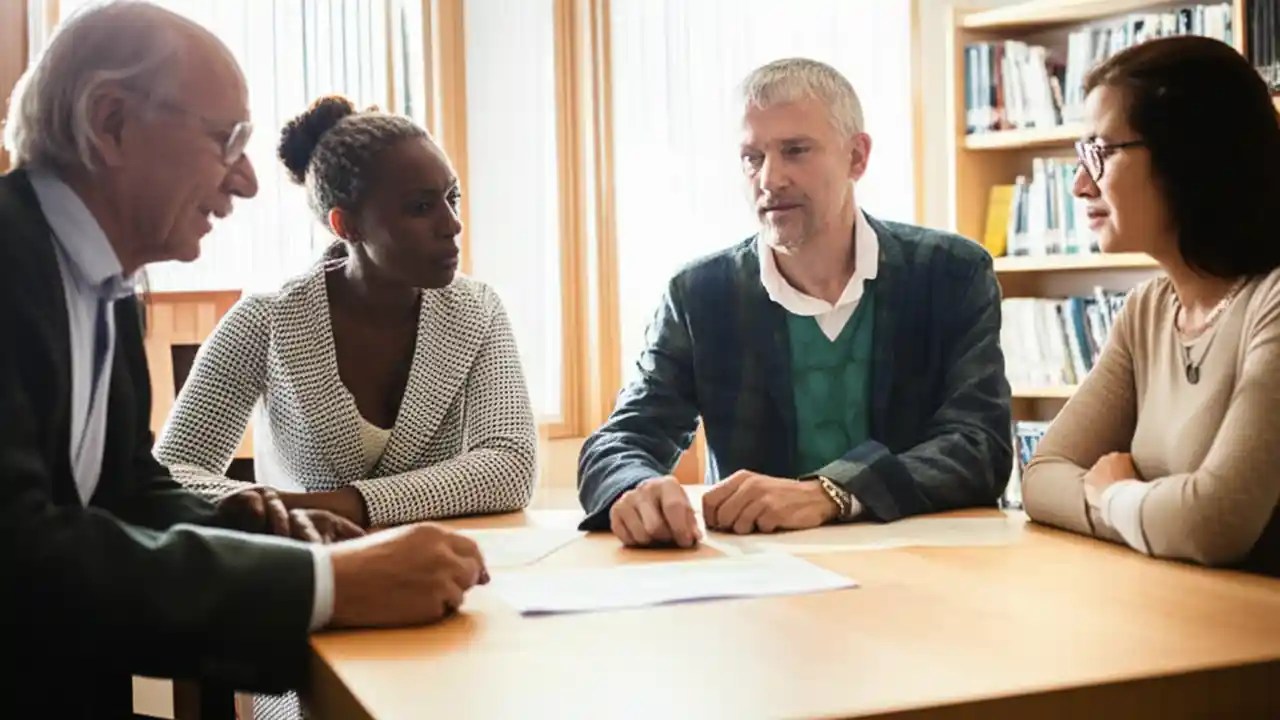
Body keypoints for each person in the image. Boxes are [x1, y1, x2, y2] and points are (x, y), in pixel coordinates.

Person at [0, 4, 488, 717]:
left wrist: (272, 534)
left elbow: (127, 491)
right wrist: (325, 586)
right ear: (110, 123)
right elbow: (17, 556)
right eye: (226, 140)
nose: (248, 181)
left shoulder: (107, 285)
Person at [578, 57, 1012, 547]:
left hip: (928, 570)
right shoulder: (701, 294)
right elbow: (619, 441)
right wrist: (635, 487)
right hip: (762, 583)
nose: (770, 178)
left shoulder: (951, 273)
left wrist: (832, 493)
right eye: (752, 157)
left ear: (857, 157)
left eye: (795, 151)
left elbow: (980, 446)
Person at [155, 95, 537, 531]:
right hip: (307, 572)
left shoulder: (477, 310)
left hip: (440, 566)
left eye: (453, 198)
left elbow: (509, 467)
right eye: (421, 207)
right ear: (346, 226)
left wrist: (338, 505)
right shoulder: (265, 321)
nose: (452, 224)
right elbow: (172, 474)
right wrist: (275, 511)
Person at [1021, 36, 1280, 573]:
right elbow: (1043, 476)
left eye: (1101, 152)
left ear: (1192, 155)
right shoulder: (1147, 311)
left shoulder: (1271, 302)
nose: (1078, 184)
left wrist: (1115, 494)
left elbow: (1213, 524)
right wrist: (1152, 514)